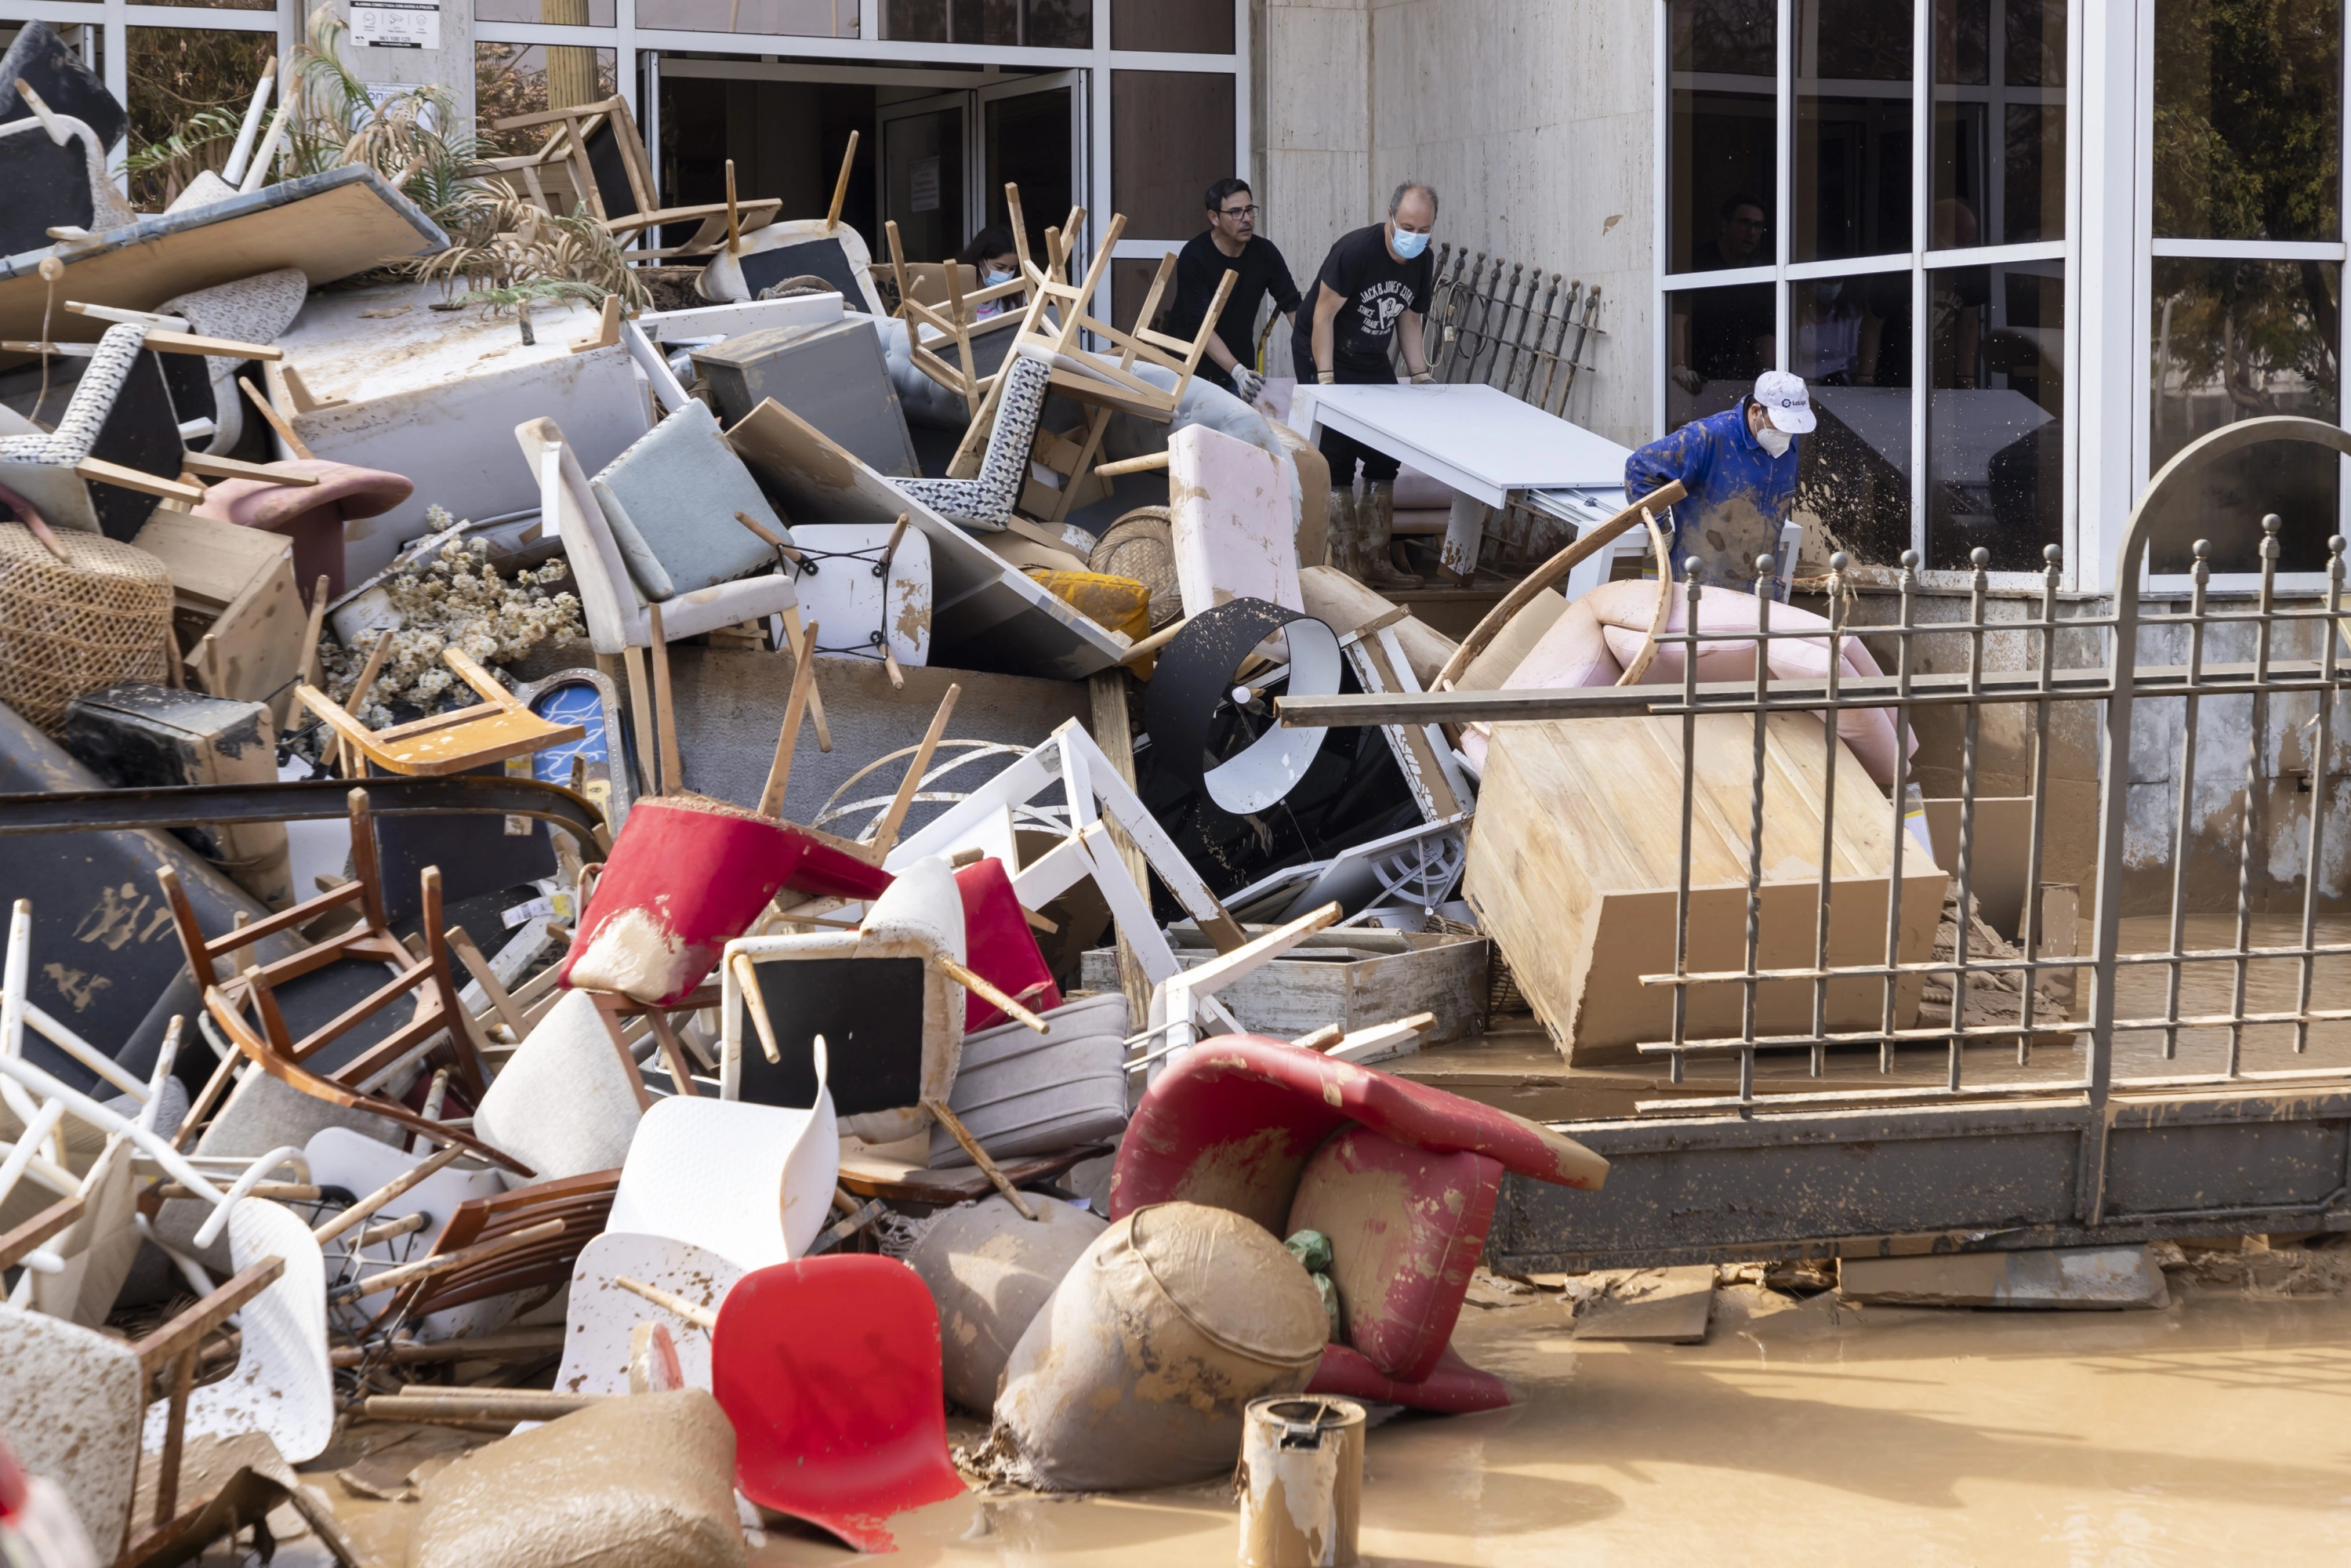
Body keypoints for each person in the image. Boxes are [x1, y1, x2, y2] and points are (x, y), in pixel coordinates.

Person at [1290, 181, 1440, 589]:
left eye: (1423, 229)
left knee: (1385, 448)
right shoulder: (1355, 250)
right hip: (1323, 349)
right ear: (1390, 216)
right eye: (1407, 225)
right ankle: (1343, 563)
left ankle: (1376, 558)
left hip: (1370, 355)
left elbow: (1409, 317)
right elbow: (1322, 316)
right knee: (1336, 453)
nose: (1414, 235)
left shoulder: (1423, 260)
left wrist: (1419, 374)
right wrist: (1326, 382)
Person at [1624, 370, 1816, 589]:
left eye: (1792, 429)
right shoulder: (1707, 438)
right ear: (1755, 411)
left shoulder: (1786, 443)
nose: (1786, 435)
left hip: (1760, 586)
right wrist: (1661, 528)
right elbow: (1638, 469)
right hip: (1702, 587)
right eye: (1781, 426)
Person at [1165, 178, 1301, 403]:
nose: (1247, 219)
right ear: (1214, 217)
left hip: (1240, 374)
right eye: (1236, 212)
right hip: (1191, 373)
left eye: (1249, 210)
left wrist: (1319, 363)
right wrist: (1236, 371)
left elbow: (1293, 306)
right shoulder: (1194, 256)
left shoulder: (1265, 253)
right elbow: (1200, 324)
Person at [952, 224, 1021, 318]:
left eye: (1012, 269)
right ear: (981, 260)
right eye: (1000, 267)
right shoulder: (956, 294)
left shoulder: (1015, 299)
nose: (1006, 275)